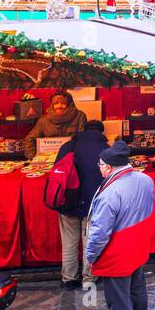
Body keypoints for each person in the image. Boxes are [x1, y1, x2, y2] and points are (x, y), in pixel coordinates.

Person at [84, 142, 155, 310]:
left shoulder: (110, 193)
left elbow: (99, 233)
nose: (99, 168)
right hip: (139, 242)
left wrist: (91, 256)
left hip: (118, 250)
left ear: (107, 167)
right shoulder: (145, 179)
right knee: (137, 288)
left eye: (100, 165)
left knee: (119, 298)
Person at [54, 119, 108, 290]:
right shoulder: (105, 150)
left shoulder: (68, 147)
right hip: (92, 204)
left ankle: (69, 279)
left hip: (68, 202)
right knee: (89, 241)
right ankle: (89, 279)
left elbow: (57, 171)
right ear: (101, 133)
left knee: (69, 242)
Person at [23, 90, 88, 159]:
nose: (59, 106)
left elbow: (84, 139)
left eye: (63, 103)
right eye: (56, 103)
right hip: (48, 160)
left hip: (71, 158)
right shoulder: (43, 120)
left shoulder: (79, 116)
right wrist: (33, 157)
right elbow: (29, 139)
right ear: (52, 105)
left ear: (70, 104)